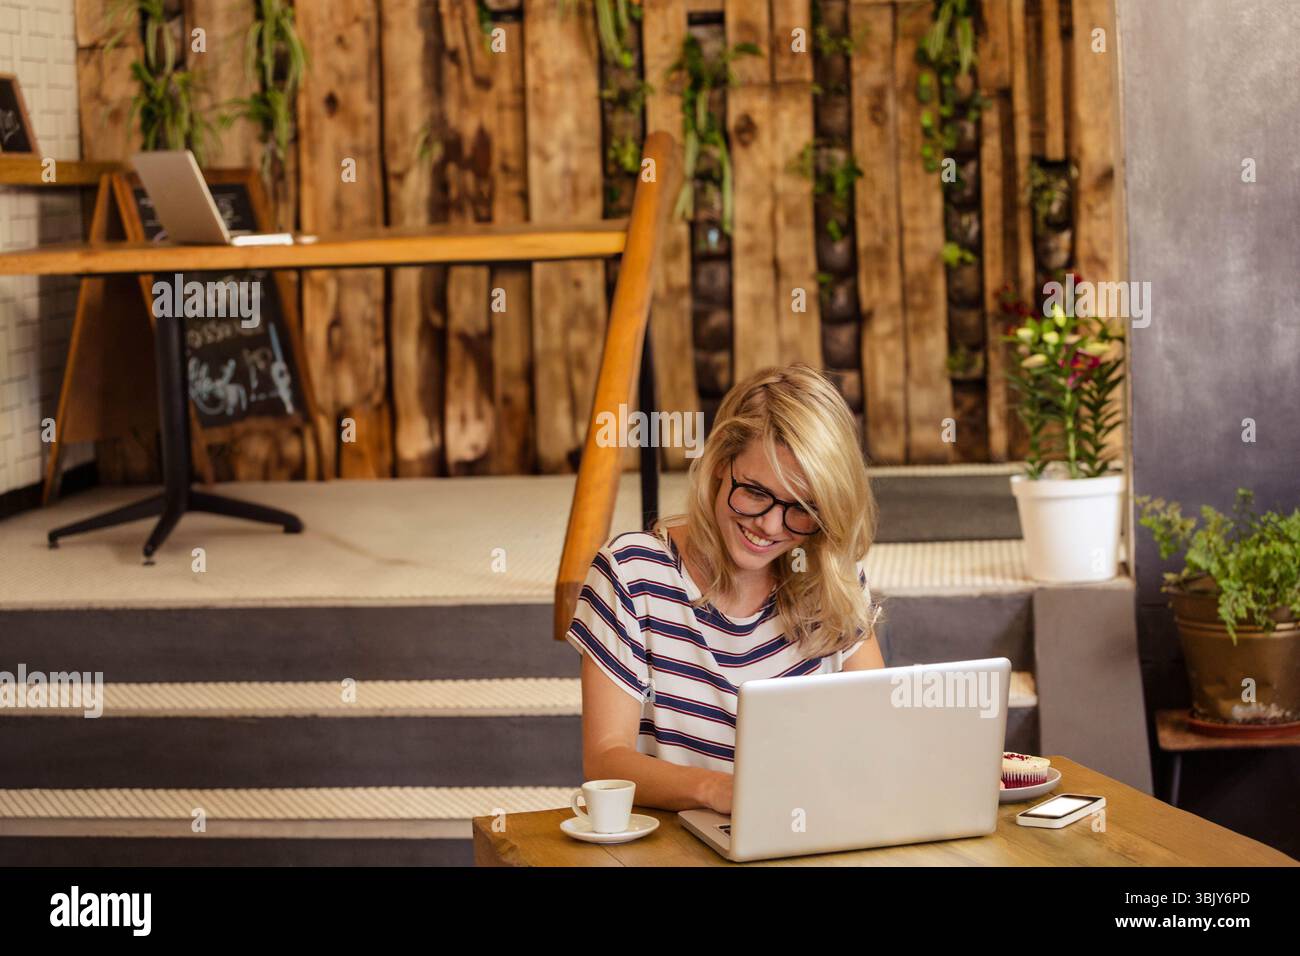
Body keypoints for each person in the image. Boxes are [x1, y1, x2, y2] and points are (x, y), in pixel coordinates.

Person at [565, 364, 884, 815]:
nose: (770, 526)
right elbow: (605, 761)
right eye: (755, 492)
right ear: (717, 466)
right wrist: (718, 790)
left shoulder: (830, 577)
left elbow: (880, 731)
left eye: (802, 508)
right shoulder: (634, 574)